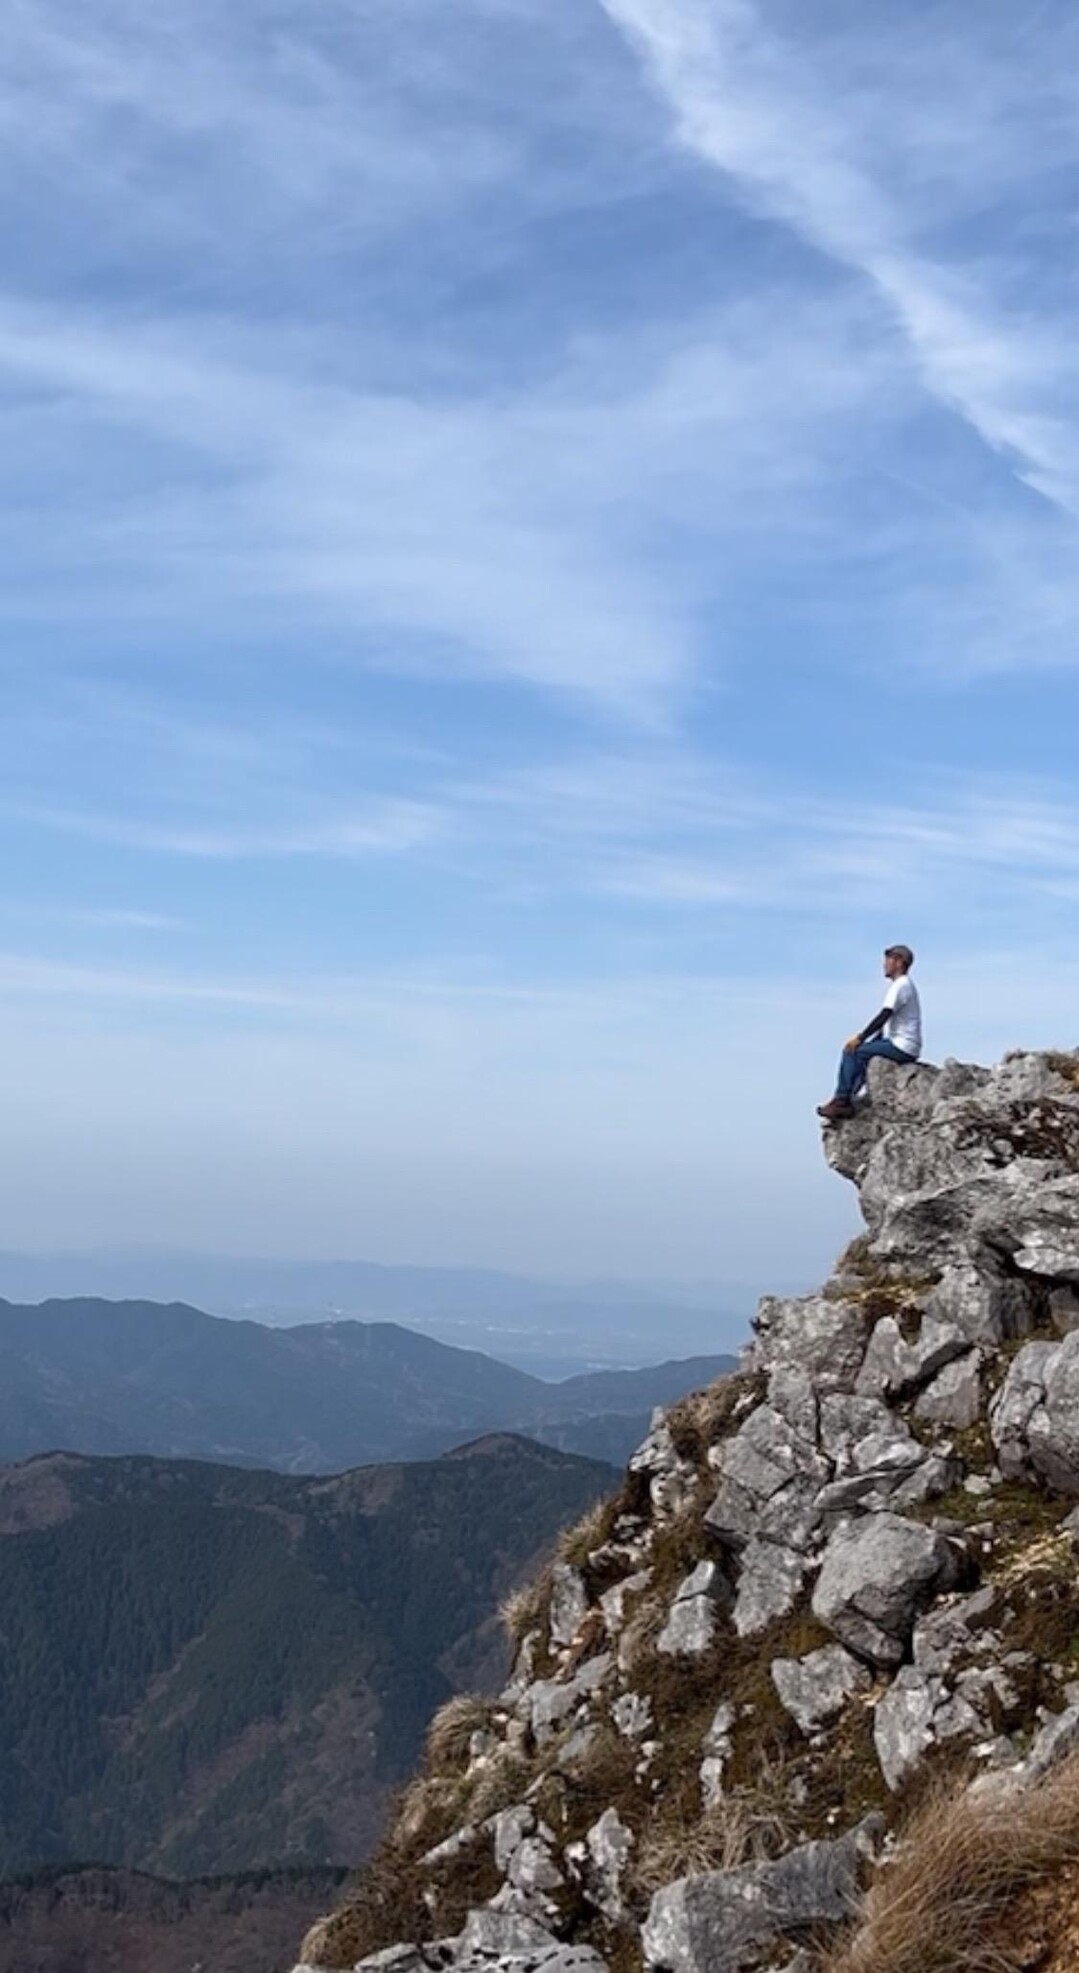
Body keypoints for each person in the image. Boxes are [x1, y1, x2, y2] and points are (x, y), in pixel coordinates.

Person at [817, 945, 922, 1120]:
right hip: (902, 1043)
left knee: (852, 1052)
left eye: (889, 960)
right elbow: (886, 1023)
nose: (885, 964)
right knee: (864, 1053)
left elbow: (884, 1015)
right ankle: (849, 1097)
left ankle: (842, 1101)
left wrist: (860, 1038)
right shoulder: (904, 986)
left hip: (902, 1046)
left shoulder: (901, 985)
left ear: (899, 962)